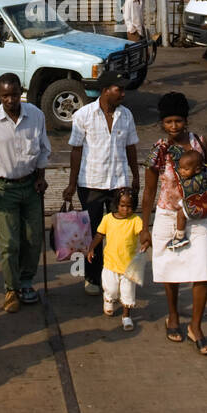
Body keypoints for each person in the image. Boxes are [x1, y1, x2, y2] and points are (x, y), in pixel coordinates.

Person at [140, 92, 207, 356]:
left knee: (201, 270)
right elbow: (149, 191)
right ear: (162, 123)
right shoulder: (158, 150)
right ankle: (173, 316)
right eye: (169, 121)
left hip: (197, 217)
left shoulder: (200, 143)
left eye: (179, 121)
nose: (174, 126)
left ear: (187, 120)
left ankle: (196, 326)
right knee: (170, 270)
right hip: (166, 215)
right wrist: (144, 226)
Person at [0, 73, 51, 312]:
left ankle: (26, 282)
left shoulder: (36, 115)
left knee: (32, 237)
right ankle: (11, 289)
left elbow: (43, 150)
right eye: (5, 95)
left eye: (14, 94)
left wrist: (40, 177)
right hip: (4, 188)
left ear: (21, 92)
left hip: (30, 186)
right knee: (9, 242)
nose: (10, 100)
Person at [62, 72, 139, 297]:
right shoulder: (84, 115)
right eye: (119, 89)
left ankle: (119, 274)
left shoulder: (126, 116)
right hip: (91, 183)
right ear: (105, 90)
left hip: (119, 183)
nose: (123, 94)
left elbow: (131, 147)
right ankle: (93, 277)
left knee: (120, 233)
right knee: (94, 233)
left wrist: (136, 176)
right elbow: (76, 151)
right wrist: (71, 184)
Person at [85, 188, 144, 331]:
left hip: (129, 266)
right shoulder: (107, 219)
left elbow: (142, 233)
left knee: (128, 292)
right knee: (110, 288)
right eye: (122, 205)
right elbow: (99, 235)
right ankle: (108, 299)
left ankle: (126, 316)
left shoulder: (135, 220)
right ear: (116, 204)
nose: (126, 209)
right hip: (110, 264)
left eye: (129, 206)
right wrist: (91, 248)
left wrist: (146, 242)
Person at [170, 150, 207, 251]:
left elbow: (188, 196)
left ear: (197, 170)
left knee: (181, 214)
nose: (182, 171)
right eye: (180, 168)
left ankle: (180, 236)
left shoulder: (191, 182)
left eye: (186, 169)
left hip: (198, 208)